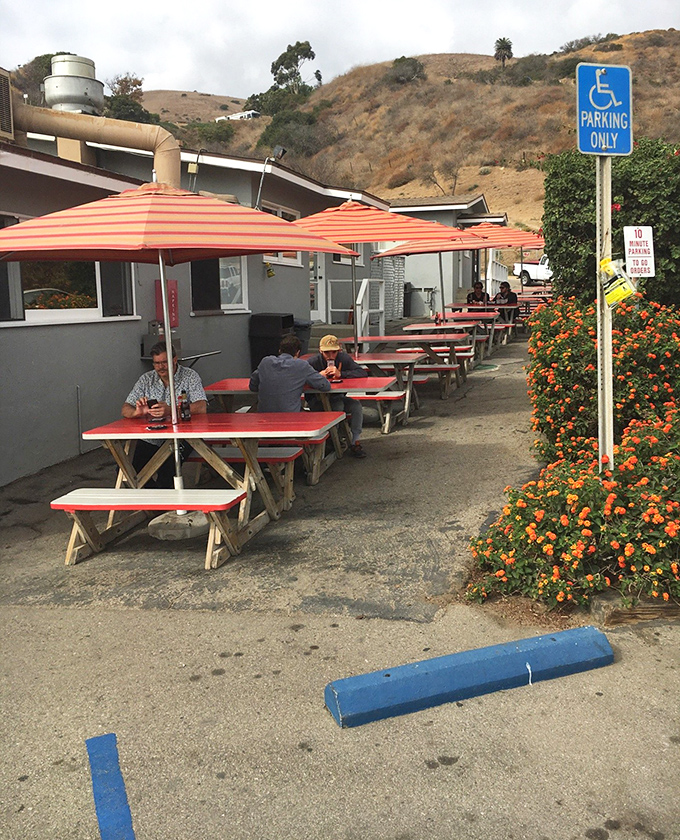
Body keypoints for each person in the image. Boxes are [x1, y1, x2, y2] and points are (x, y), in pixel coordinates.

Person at [122, 342, 207, 488]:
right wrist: (137, 412)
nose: (160, 367)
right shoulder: (146, 379)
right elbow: (125, 408)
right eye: (156, 363)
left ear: (174, 360)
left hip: (183, 436)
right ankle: (156, 505)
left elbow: (201, 407)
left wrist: (172, 410)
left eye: (164, 362)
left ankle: (160, 504)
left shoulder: (190, 376)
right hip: (153, 436)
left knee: (167, 469)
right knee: (126, 471)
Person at [306, 334, 368, 458]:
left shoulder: (343, 358)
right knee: (338, 405)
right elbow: (301, 379)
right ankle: (334, 440)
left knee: (356, 406)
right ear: (320, 351)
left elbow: (361, 372)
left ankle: (355, 440)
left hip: (337, 396)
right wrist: (318, 376)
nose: (330, 356)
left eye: (333, 352)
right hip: (316, 401)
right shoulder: (312, 362)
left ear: (339, 351)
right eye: (327, 353)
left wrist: (341, 374)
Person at [249, 334, 330, 413]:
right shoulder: (301, 365)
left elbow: (253, 386)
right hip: (290, 416)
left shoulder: (266, 362)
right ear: (298, 352)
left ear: (280, 350)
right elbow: (325, 386)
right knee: (315, 417)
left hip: (263, 415)